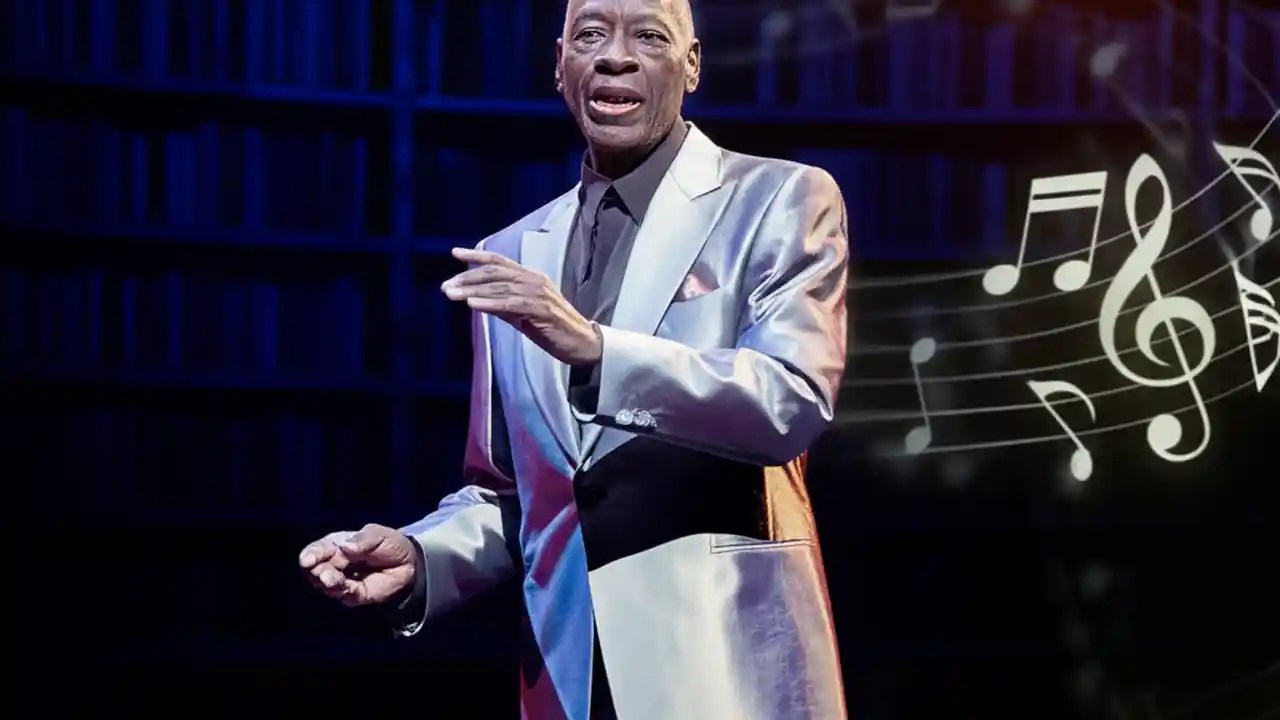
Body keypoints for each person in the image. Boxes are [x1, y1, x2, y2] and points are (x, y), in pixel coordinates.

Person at [298, 0, 849, 716]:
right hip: (569, 680)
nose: (615, 55)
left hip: (723, 670)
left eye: (649, 36)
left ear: (692, 65)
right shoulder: (512, 252)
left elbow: (790, 400)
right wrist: (422, 556)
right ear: (560, 67)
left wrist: (597, 350)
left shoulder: (777, 199)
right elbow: (512, 493)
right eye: (591, 34)